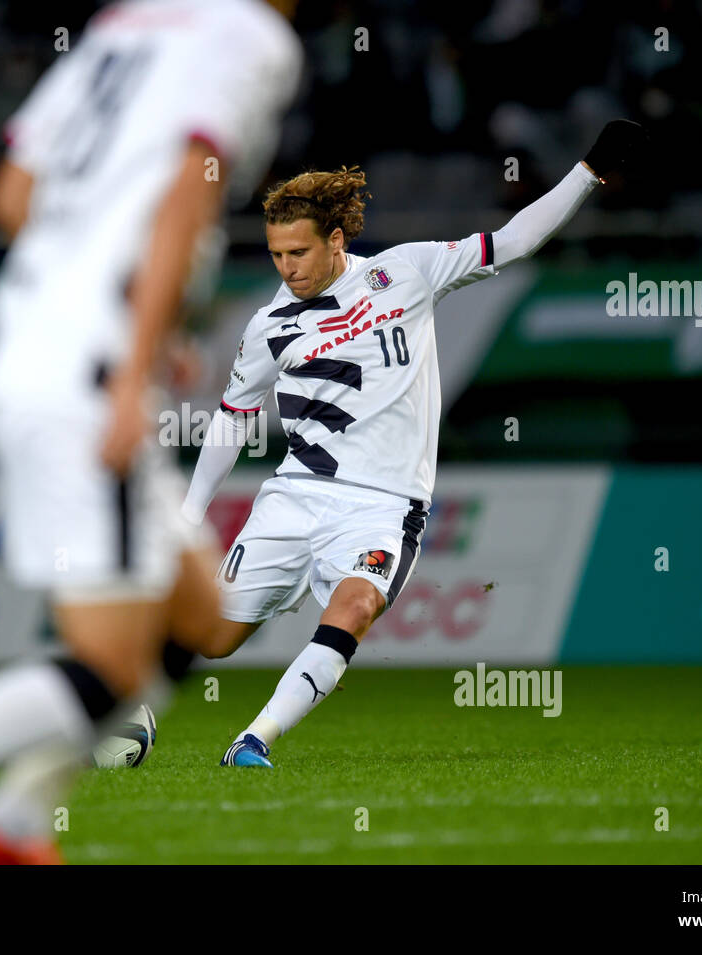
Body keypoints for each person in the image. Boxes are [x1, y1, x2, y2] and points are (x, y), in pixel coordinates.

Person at [0, 0, 303, 864]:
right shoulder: (250, 36)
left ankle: (12, 825)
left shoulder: (120, 27)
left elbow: (11, 195)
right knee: (110, 665)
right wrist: (139, 345)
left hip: (30, 349)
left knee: (194, 613)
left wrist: (108, 300)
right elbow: (189, 195)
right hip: (88, 376)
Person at [180, 122, 647, 767]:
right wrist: (188, 514)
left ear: (337, 241)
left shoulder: (407, 273)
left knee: (358, 602)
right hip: (293, 497)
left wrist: (587, 172)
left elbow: (513, 241)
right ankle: (121, 702)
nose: (287, 269)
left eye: (299, 254)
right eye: (276, 255)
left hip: (383, 504)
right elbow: (233, 419)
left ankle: (254, 740)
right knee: (214, 638)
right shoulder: (268, 325)